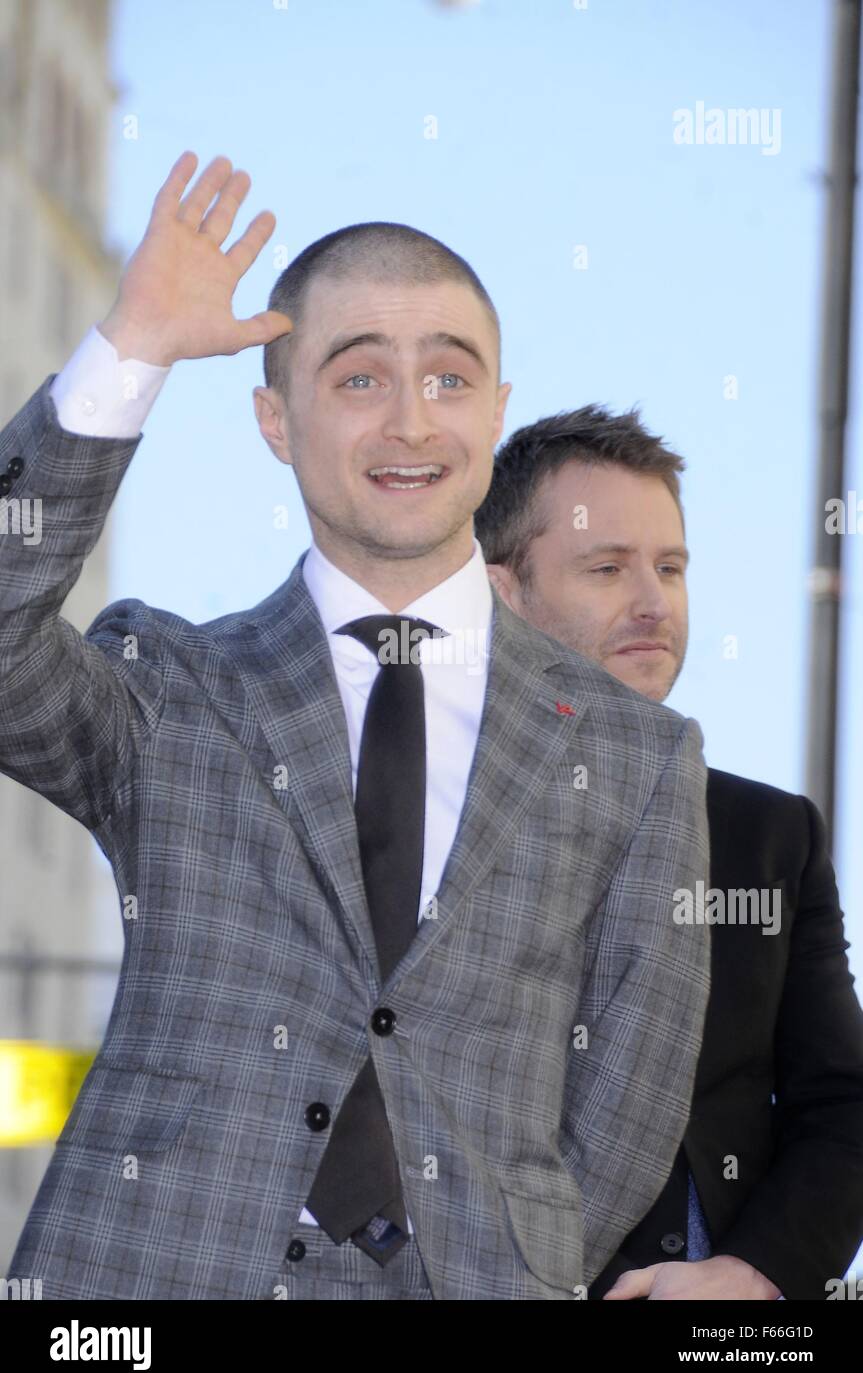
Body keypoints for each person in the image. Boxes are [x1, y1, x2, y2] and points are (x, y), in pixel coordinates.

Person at [0, 153, 710, 1300]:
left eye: (447, 376)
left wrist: (514, 1263)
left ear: (494, 409)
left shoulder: (634, 756)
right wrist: (128, 350)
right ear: (275, 420)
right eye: (359, 377)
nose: (410, 419)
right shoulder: (167, 682)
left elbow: (629, 1096)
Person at [475, 403, 863, 1300]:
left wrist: (751, 1276)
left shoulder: (772, 836)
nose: (653, 602)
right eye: (607, 567)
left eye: (670, 567)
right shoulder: (418, 816)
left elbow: (842, 1107)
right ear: (502, 593)